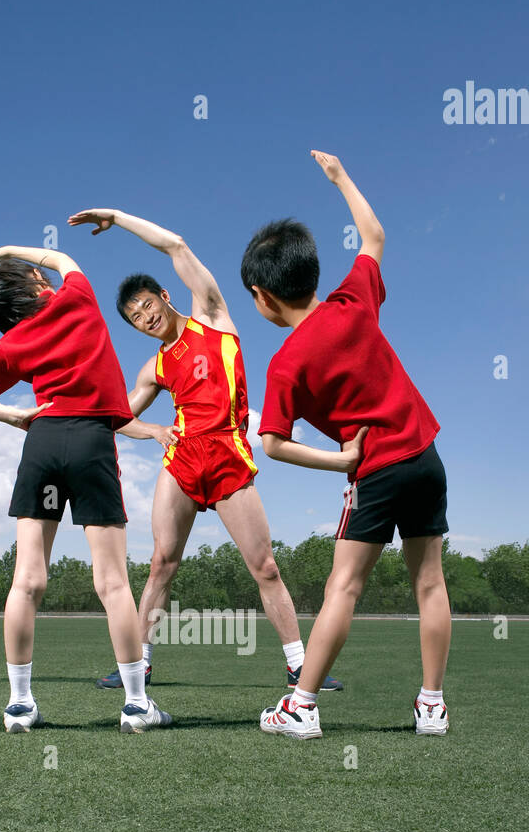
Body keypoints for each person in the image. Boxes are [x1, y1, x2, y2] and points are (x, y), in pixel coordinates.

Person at [66, 207, 345, 693]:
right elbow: (117, 417)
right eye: (134, 319)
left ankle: (299, 665)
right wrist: (152, 431)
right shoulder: (154, 368)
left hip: (229, 455)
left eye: (147, 306)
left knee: (265, 567)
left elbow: (175, 244)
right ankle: (138, 664)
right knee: (161, 562)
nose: (145, 318)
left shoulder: (211, 317)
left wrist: (117, 218)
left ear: (164, 296)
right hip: (181, 460)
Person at [242, 151, 451, 739]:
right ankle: (431, 705)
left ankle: (302, 705)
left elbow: (274, 444)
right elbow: (375, 235)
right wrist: (339, 178)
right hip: (426, 459)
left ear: (261, 295)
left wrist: (340, 459)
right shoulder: (353, 299)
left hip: (376, 473)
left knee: (344, 587)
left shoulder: (285, 364)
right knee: (429, 584)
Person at [0, 244, 172, 734]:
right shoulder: (78, 296)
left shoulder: (18, 339)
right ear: (33, 284)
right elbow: (61, 259)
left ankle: (19, 706)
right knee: (112, 583)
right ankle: (135, 706)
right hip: (91, 443)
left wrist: (14, 415)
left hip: (43, 442)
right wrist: (7, 251)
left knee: (28, 580)